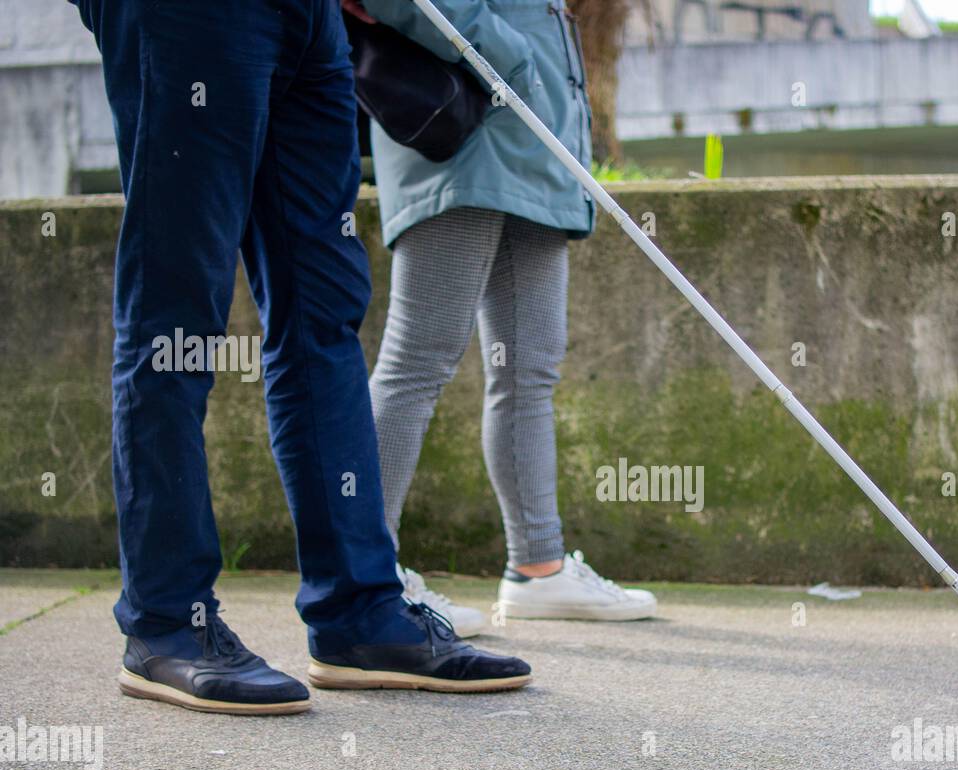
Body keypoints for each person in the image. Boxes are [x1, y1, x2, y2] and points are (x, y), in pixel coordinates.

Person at [71, 0, 532, 715]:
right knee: (177, 307)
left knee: (324, 310)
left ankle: (360, 613)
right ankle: (166, 623)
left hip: (309, 17)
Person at [359, 0, 656, 634]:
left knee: (529, 371)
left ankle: (539, 570)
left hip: (537, 151)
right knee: (417, 362)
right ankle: (367, 574)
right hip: (466, 142)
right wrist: (516, 60)